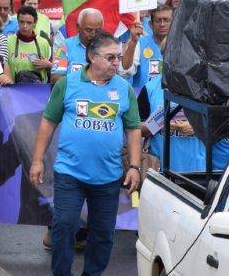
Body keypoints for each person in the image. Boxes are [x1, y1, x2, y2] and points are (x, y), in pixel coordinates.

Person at [30, 31, 142, 276]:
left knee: (103, 234)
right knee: (64, 226)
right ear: (92, 57)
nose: (117, 63)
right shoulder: (67, 84)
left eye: (118, 57)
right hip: (70, 174)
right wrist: (37, 160)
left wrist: (134, 166)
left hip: (108, 177)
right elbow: (48, 123)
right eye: (111, 57)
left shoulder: (124, 89)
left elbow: (134, 130)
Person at [139, 76, 205, 172]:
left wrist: (196, 127)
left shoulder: (204, 88)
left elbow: (219, 128)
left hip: (196, 173)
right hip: (159, 171)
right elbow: (135, 130)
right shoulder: (150, 88)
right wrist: (158, 124)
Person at [122, 5, 173, 93]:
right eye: (158, 21)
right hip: (144, 100)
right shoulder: (139, 43)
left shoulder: (180, 45)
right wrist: (133, 42)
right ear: (150, 24)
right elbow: (126, 69)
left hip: (171, 102)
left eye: (166, 20)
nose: (162, 24)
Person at [50, 8, 104, 84]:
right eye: (89, 30)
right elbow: (56, 78)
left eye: (98, 31)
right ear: (78, 27)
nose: (94, 34)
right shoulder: (65, 46)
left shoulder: (106, 48)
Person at [5, 6, 53, 83]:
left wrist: (49, 65)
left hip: (39, 91)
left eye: (29, 23)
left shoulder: (44, 43)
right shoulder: (7, 42)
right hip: (14, 92)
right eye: (22, 22)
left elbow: (56, 70)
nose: (24, 26)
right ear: (17, 21)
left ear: (35, 23)